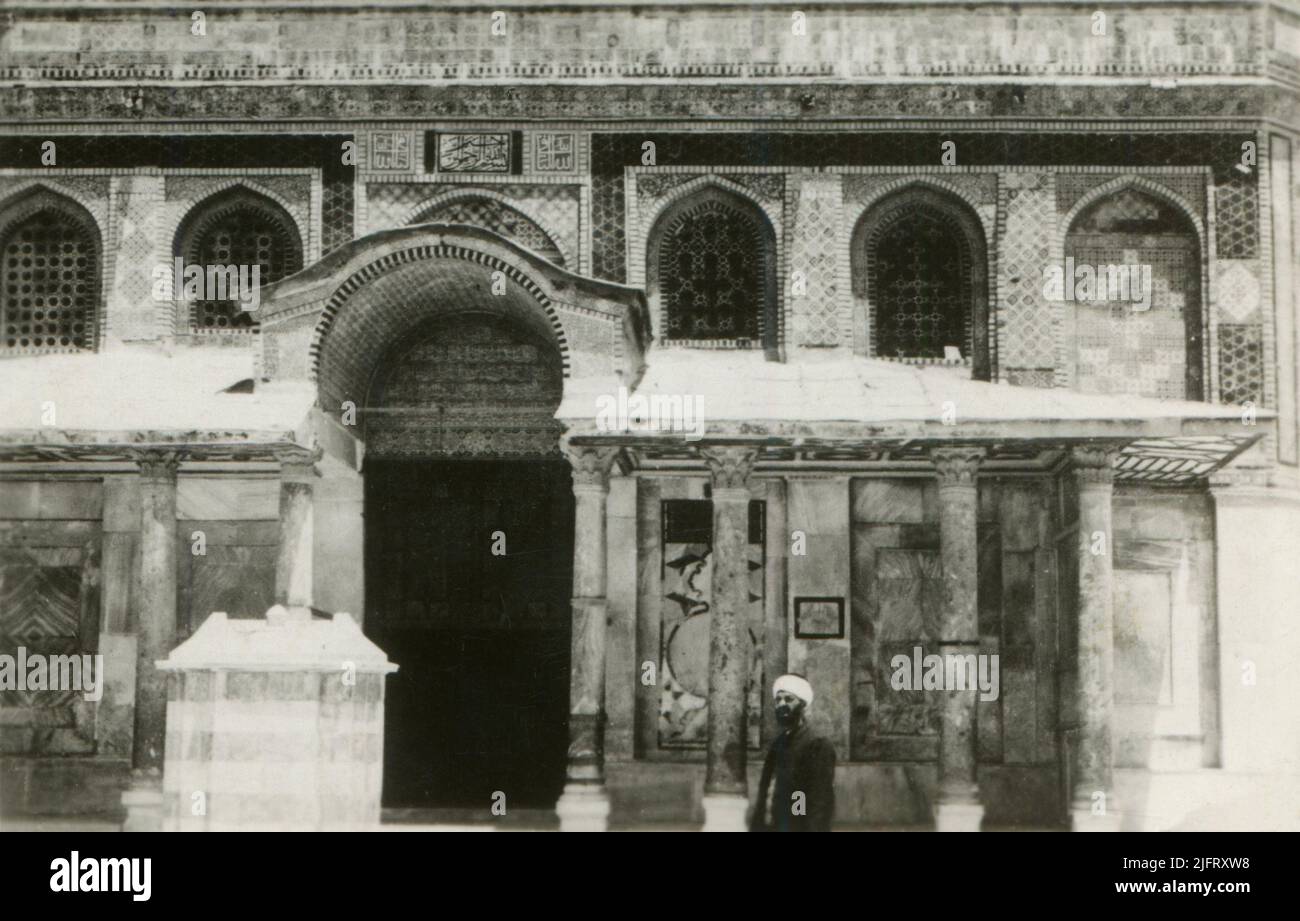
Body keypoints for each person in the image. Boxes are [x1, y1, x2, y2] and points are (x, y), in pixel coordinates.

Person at [750, 674, 837, 832]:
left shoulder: (817, 745)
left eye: (789, 699)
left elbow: (818, 802)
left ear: (802, 705)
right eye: (778, 700)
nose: (782, 704)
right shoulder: (779, 743)